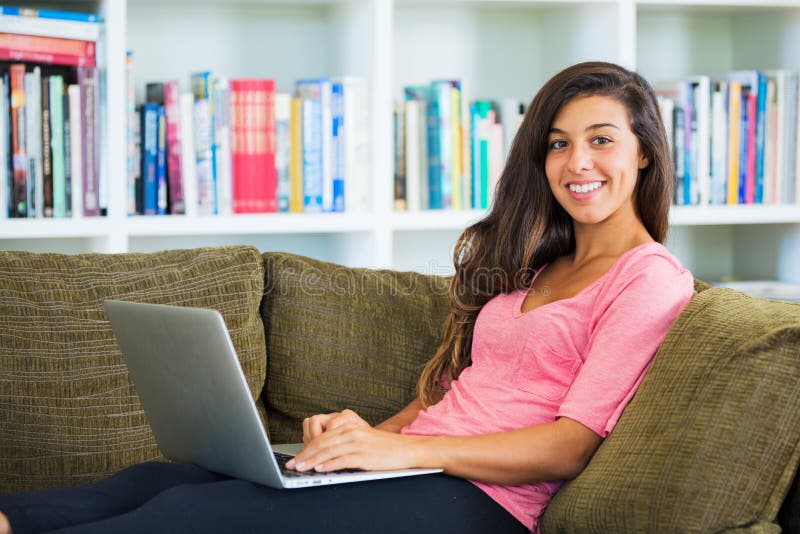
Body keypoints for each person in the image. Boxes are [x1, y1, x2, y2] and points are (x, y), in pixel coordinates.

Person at [0, 61, 695, 534]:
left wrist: (409, 456)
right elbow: (458, 393)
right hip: (421, 468)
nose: (577, 163)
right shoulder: (539, 265)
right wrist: (366, 439)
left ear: (642, 153)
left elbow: (571, 446)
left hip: (485, 505)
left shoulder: (649, 278)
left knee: (189, 515)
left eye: (601, 140)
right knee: (165, 477)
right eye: (558, 144)